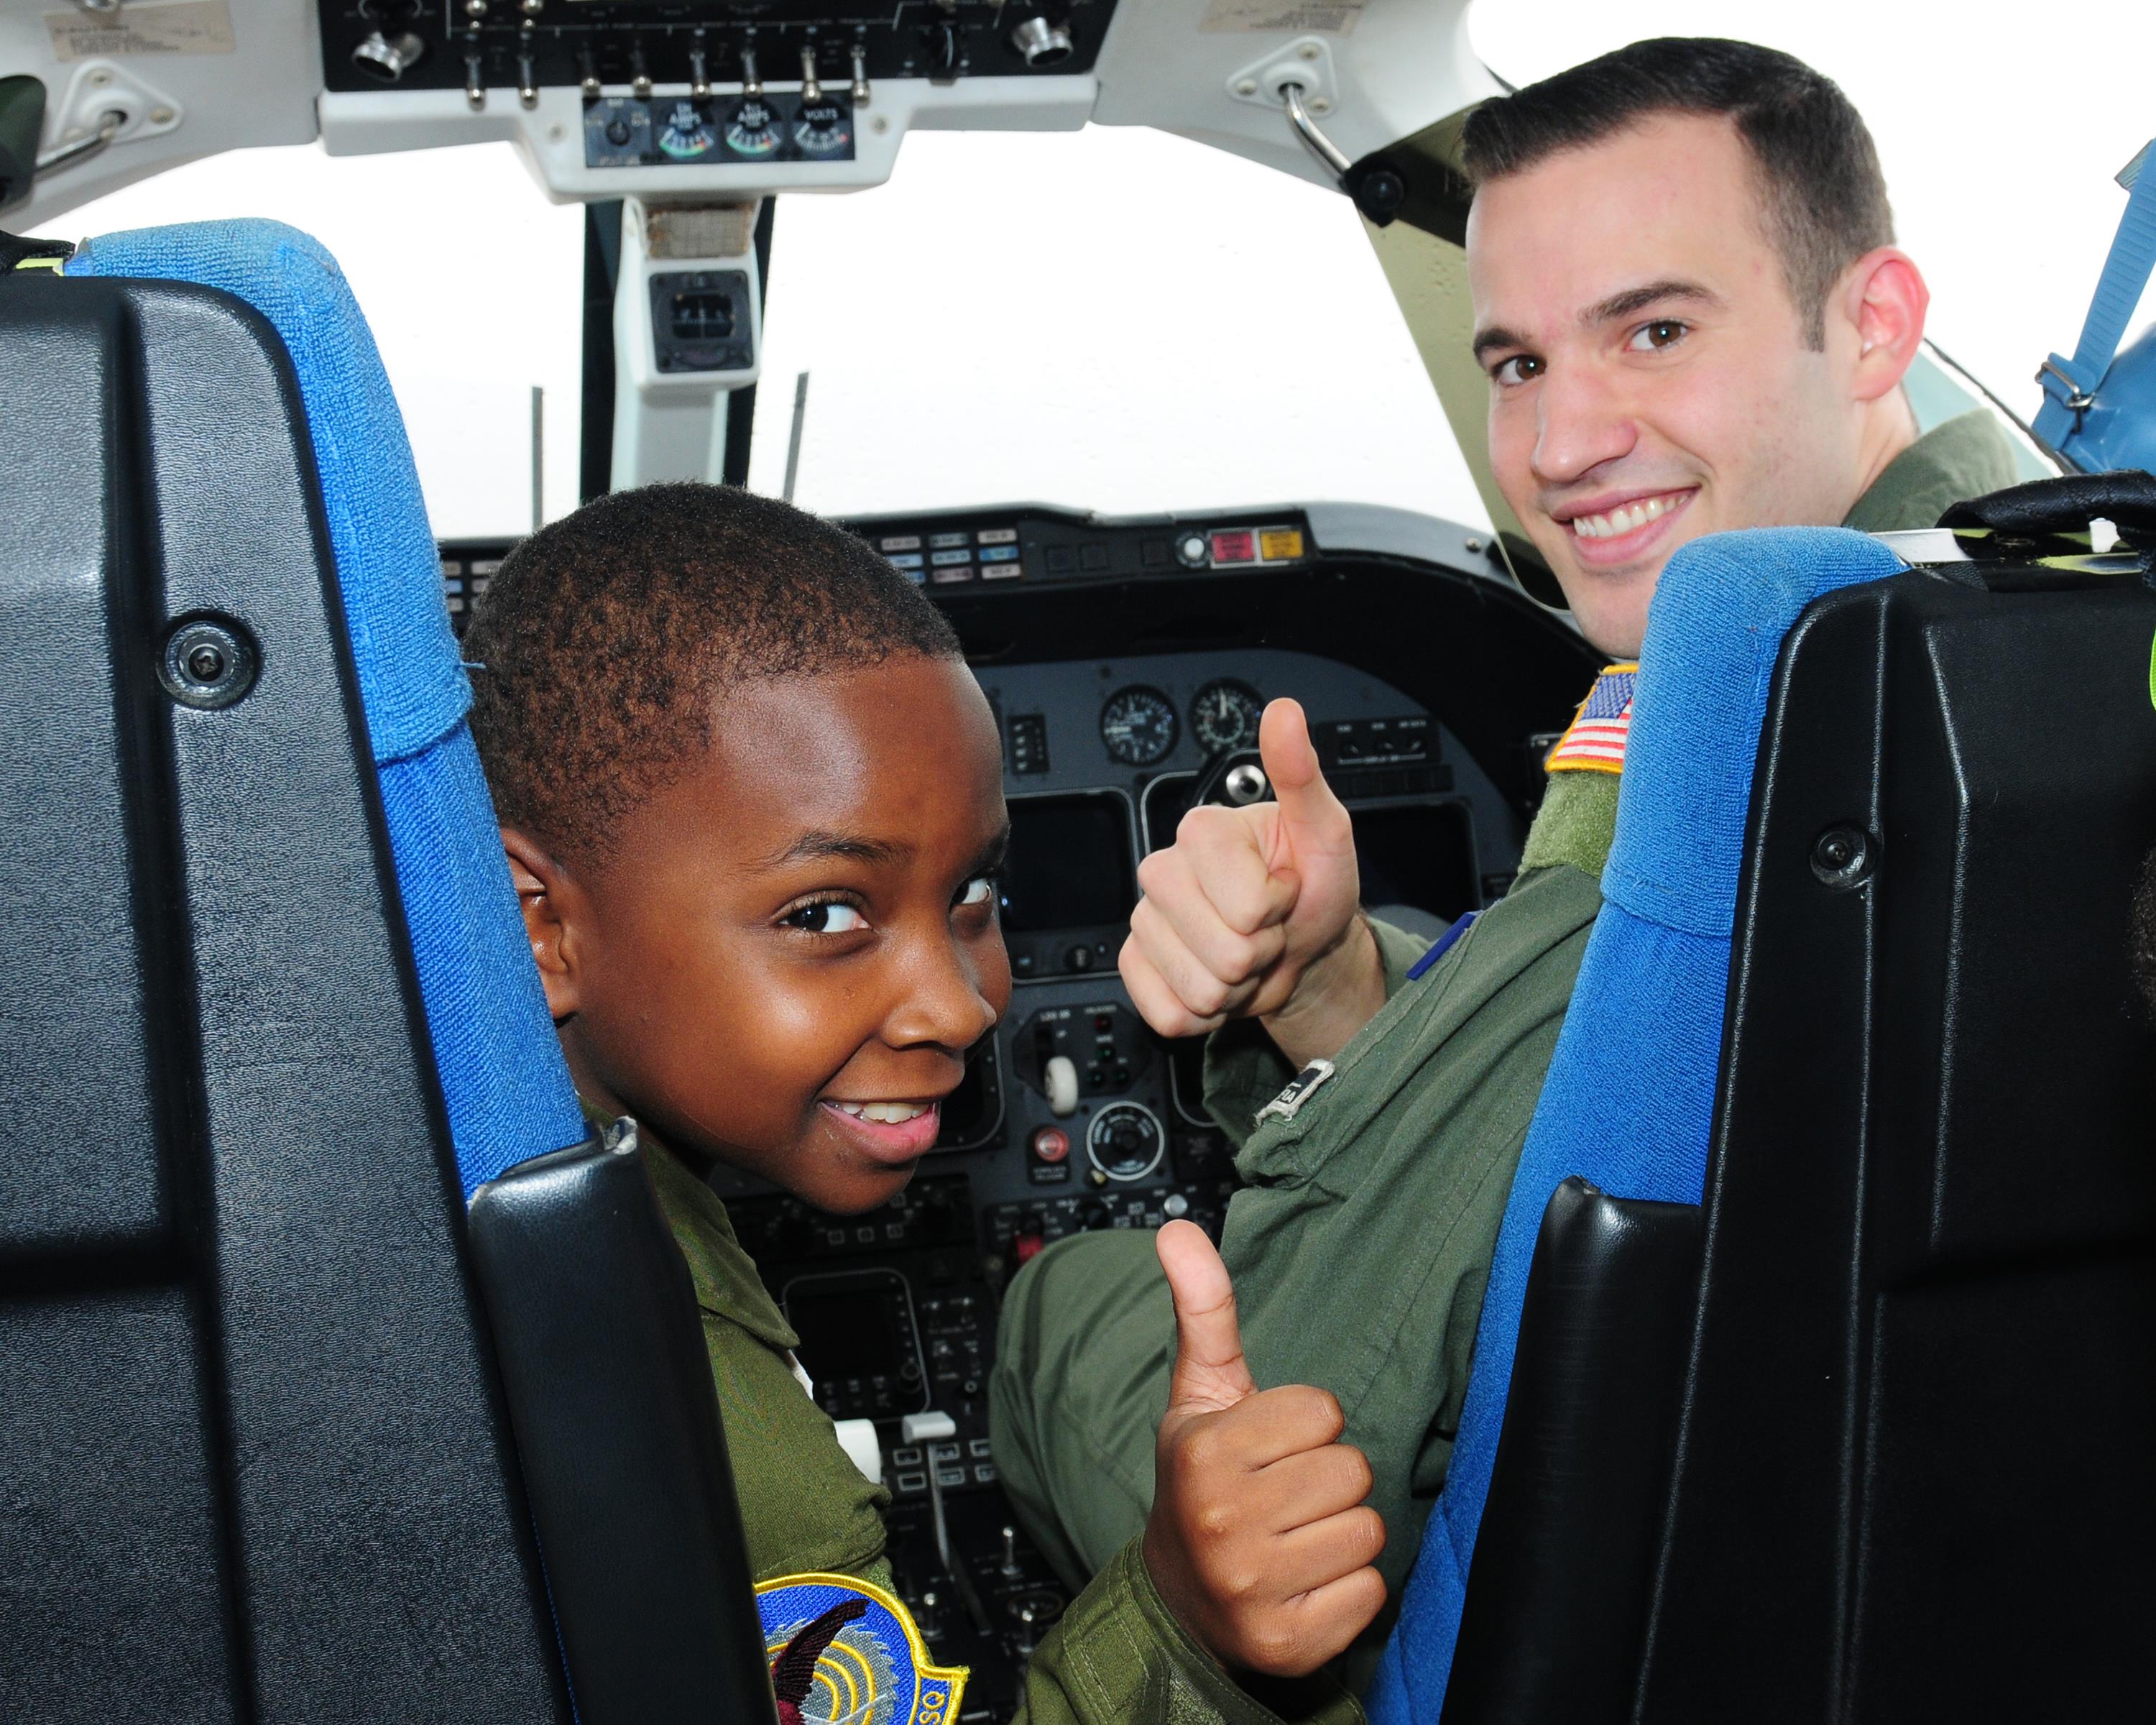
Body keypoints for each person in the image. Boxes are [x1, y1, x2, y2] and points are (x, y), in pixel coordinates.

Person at [990, 35, 2020, 1688]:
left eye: (1656, 331)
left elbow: (1339, 1379)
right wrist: (1339, 984)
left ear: (1876, 319)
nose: (1552, 448)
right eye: (1517, 362)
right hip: (1958, 1585)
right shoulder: (2035, 650)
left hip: (1592, 1629)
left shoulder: (1751, 747)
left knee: (1072, 1299)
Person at [464, 482, 1385, 1724]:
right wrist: (1181, 1614)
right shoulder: (703, 1440)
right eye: (826, 913)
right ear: (543, 927)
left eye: (971, 893)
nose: (958, 1008)